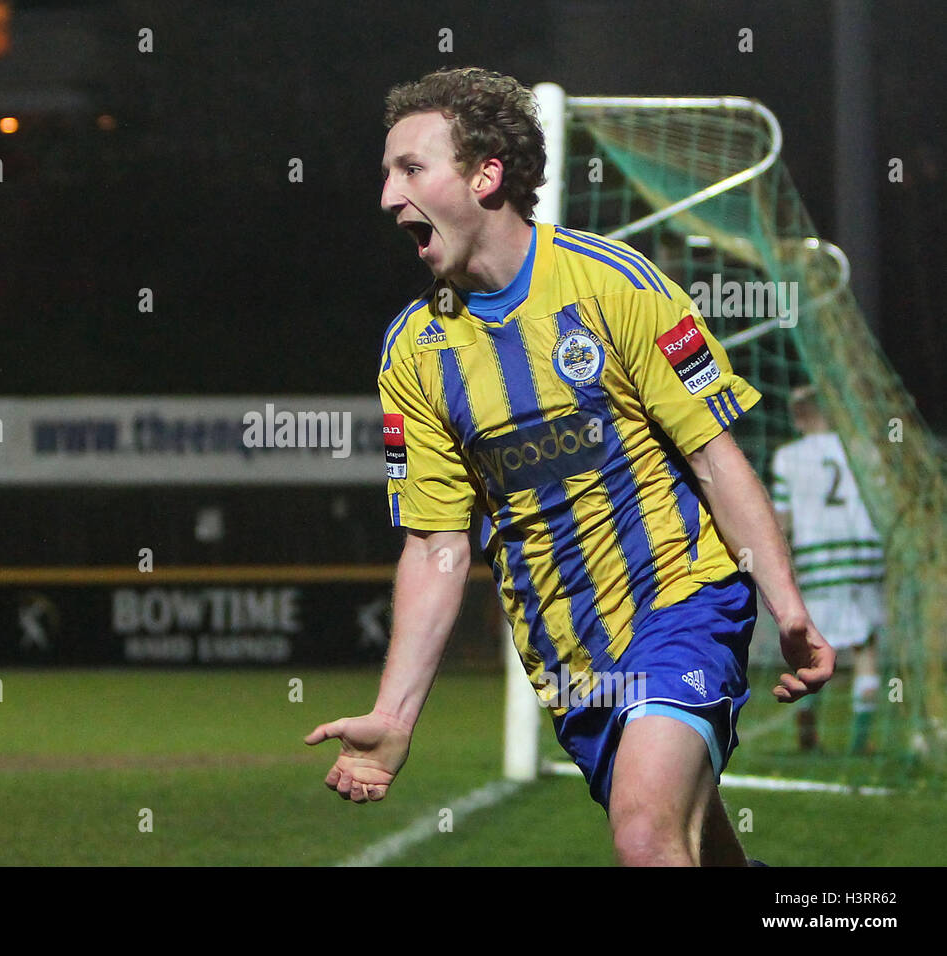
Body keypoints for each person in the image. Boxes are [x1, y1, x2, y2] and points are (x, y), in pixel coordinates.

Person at [305, 67, 834, 866]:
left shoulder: (613, 285)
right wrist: (395, 717)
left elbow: (714, 455)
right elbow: (436, 544)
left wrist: (785, 603)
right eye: (387, 172)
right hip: (573, 665)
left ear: (485, 175)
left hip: (683, 606)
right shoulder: (414, 351)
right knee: (688, 841)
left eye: (409, 168)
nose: (387, 195)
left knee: (646, 835)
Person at [771, 385, 884, 753]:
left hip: (819, 561)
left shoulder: (787, 457)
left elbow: (782, 520)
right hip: (865, 555)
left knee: (814, 649)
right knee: (866, 647)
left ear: (800, 416)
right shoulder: (861, 449)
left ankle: (808, 735)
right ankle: (860, 740)